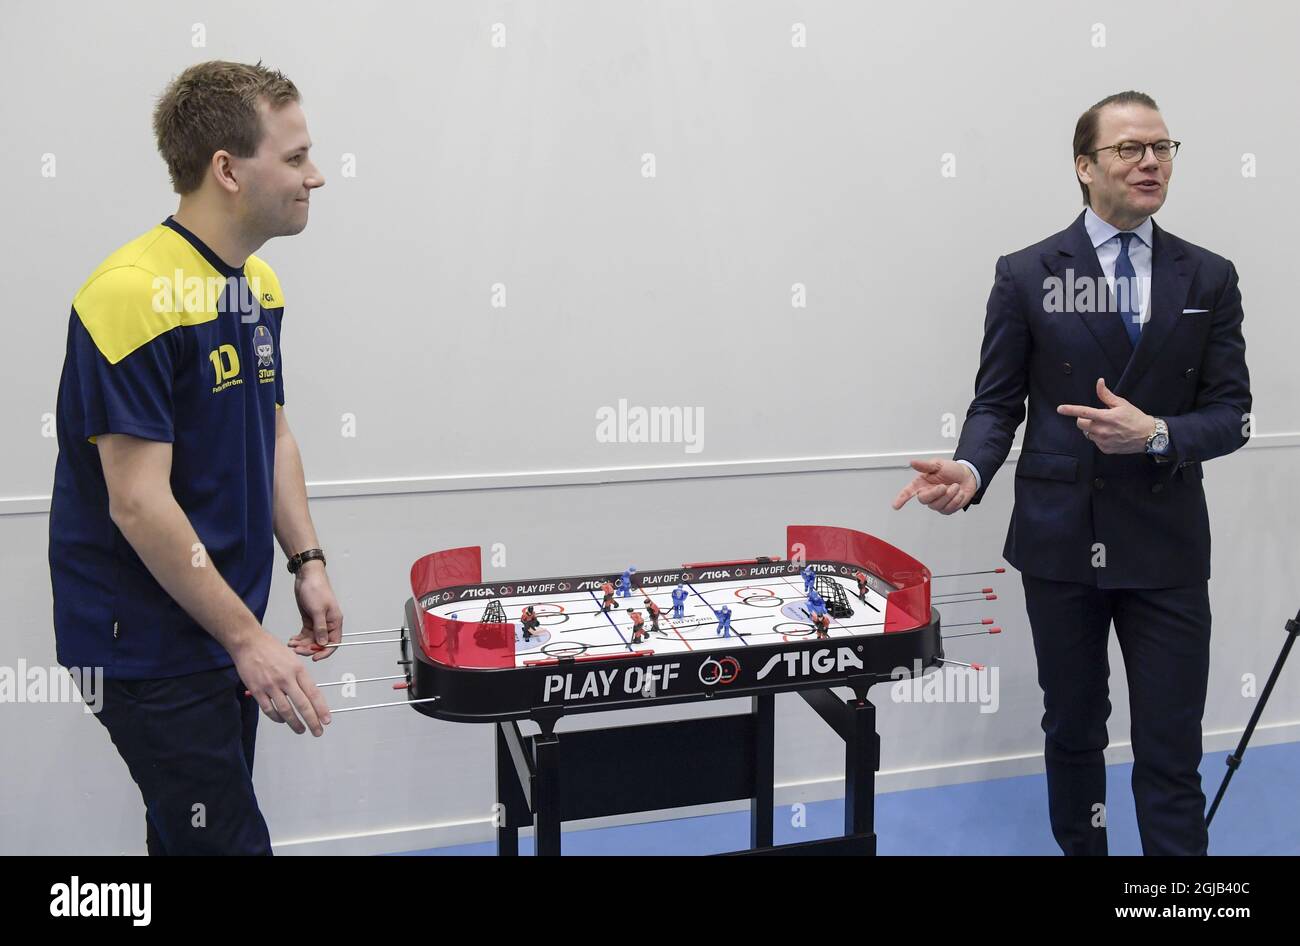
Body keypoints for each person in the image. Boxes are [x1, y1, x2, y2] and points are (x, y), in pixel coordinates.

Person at [892, 91, 1250, 856]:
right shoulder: (1026, 274)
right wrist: (969, 466)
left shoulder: (1208, 277)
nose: (1151, 161)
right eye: (1130, 149)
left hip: (1168, 548)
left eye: (1162, 147)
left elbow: (1231, 415)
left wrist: (1155, 433)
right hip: (1062, 545)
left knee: (1170, 745)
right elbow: (997, 403)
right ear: (1085, 168)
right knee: (1076, 729)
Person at [49, 61, 335, 855]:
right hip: (143, 642)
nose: (318, 175)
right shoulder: (130, 294)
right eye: (295, 156)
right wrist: (248, 639)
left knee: (191, 836)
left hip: (221, 626)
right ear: (227, 170)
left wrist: (305, 560)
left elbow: (271, 432)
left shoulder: (260, 287)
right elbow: (137, 501)